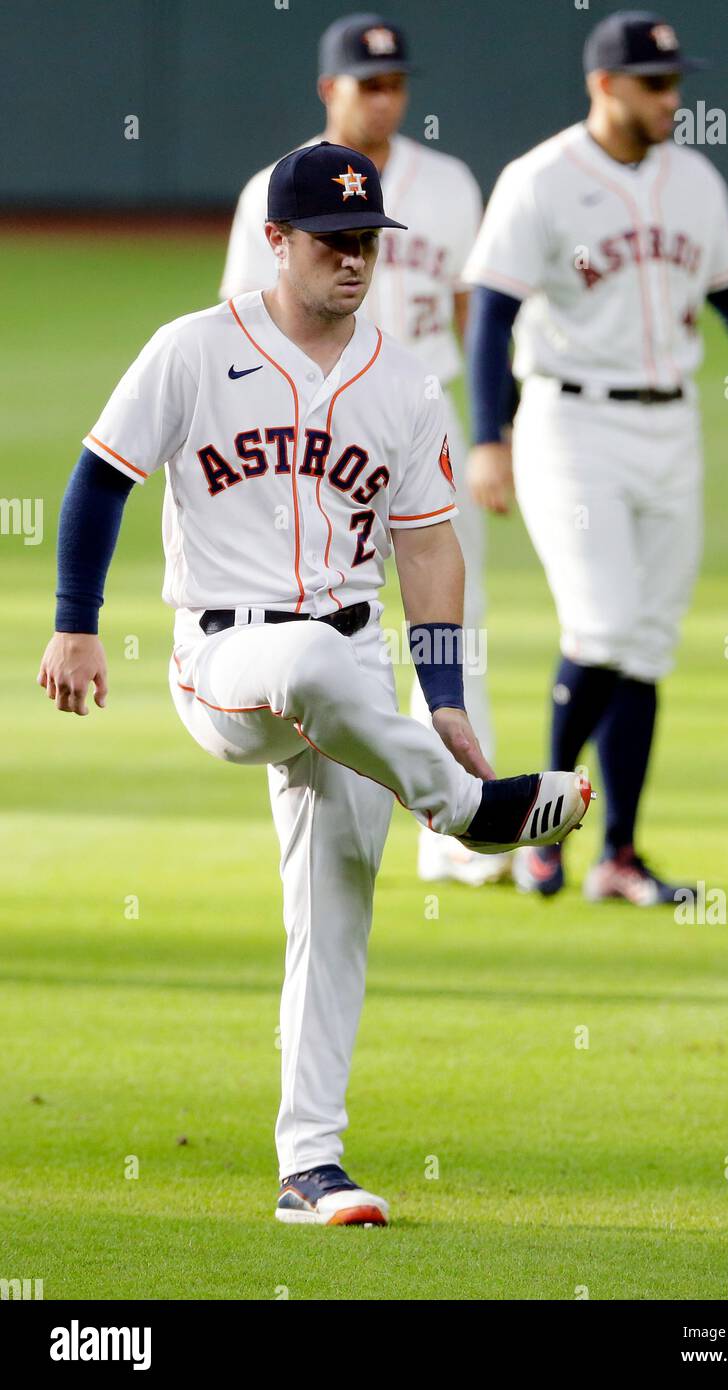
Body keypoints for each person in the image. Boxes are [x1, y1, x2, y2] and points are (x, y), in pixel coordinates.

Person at [37, 142, 593, 1227]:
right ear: (275, 239)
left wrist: (442, 697)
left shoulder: (399, 378)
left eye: (367, 243)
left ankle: (312, 1167)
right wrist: (75, 625)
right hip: (226, 660)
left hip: (356, 672)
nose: (354, 260)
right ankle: (464, 808)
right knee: (306, 659)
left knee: (336, 914)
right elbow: (99, 477)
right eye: (332, 242)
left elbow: (429, 552)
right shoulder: (192, 350)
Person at [461, 9, 728, 905]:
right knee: (600, 625)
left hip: (672, 426)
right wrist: (490, 435)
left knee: (644, 646)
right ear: (605, 86)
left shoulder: (695, 182)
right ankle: (542, 824)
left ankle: (619, 856)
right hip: (571, 422)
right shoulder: (541, 180)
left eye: (676, 83)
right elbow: (491, 313)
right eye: (654, 84)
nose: (672, 98)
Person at [221, 11, 506, 886]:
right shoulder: (275, 189)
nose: (384, 99)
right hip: (311, 436)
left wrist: (493, 427)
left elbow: (470, 312)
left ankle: (458, 822)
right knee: (332, 616)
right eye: (367, 83)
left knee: (454, 613)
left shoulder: (451, 182)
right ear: (328, 88)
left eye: (395, 83)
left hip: (423, 415)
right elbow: (243, 325)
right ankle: (347, 810)